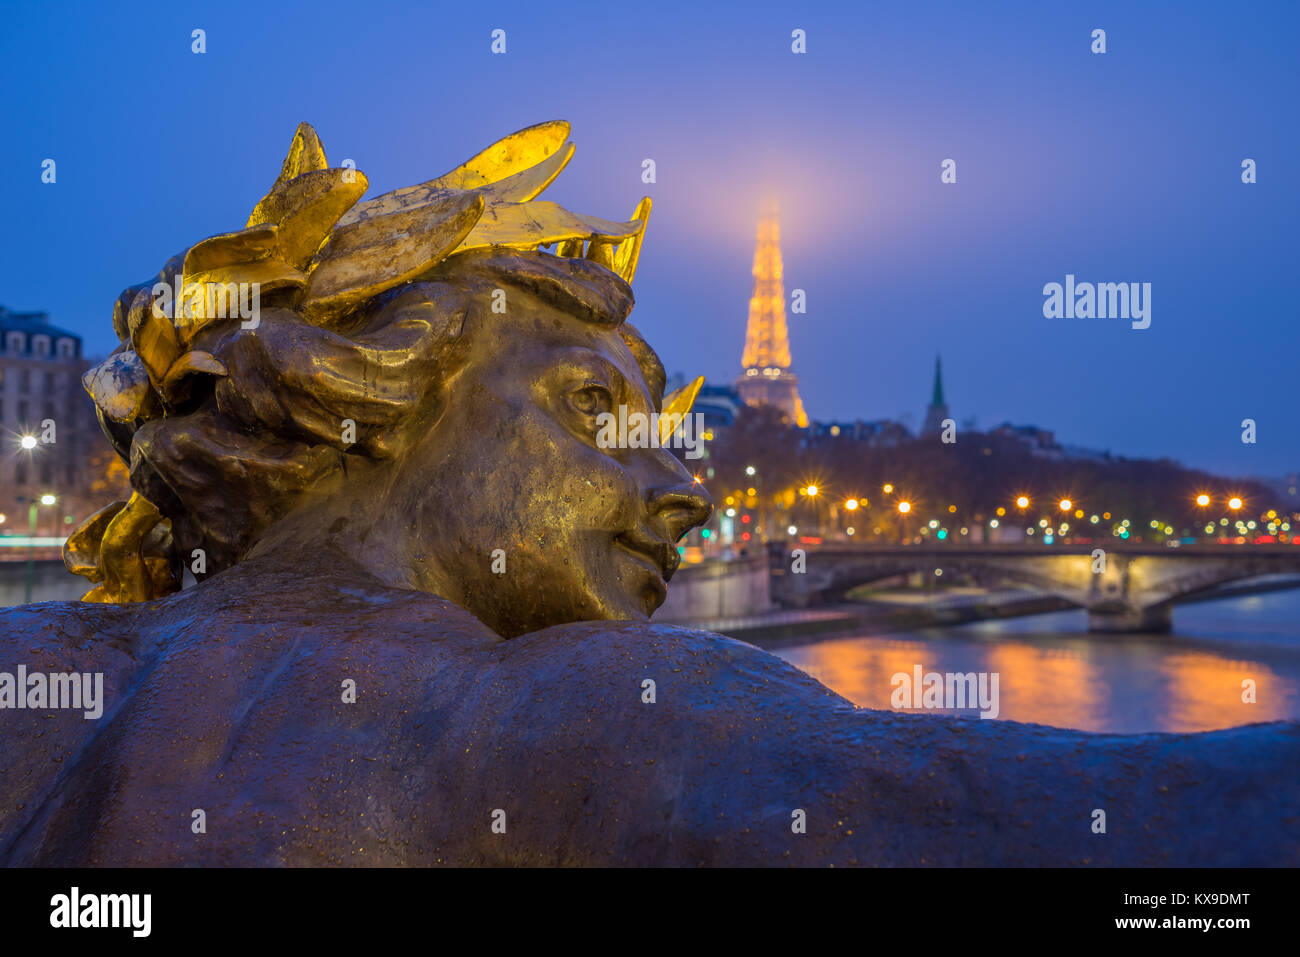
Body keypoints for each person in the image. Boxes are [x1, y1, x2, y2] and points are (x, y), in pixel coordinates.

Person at [1, 123, 1295, 866]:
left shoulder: (40, 662)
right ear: (373, 404)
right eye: (596, 409)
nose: (680, 485)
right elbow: (1135, 831)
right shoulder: (561, 712)